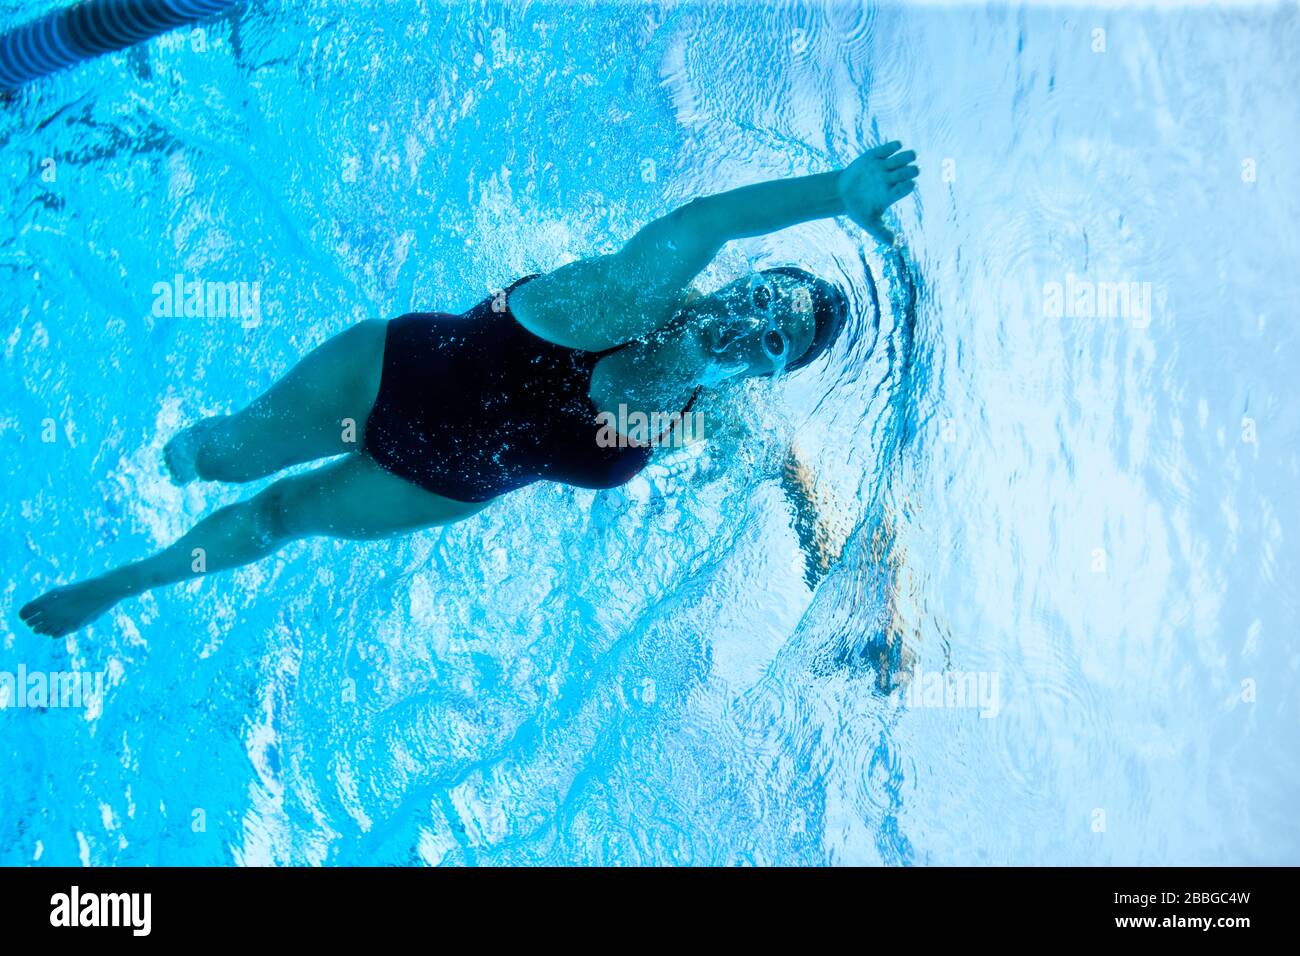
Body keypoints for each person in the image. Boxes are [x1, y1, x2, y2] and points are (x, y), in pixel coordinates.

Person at [21, 141, 918, 637]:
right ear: (737, 285)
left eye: (774, 343)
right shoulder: (633, 295)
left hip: (440, 484)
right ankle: (139, 454)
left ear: (768, 367)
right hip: (386, 380)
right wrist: (838, 192)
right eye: (762, 301)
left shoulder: (715, 408)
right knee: (218, 458)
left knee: (280, 519)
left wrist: (852, 573)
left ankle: (120, 584)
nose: (750, 328)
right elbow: (707, 219)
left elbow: (793, 472)